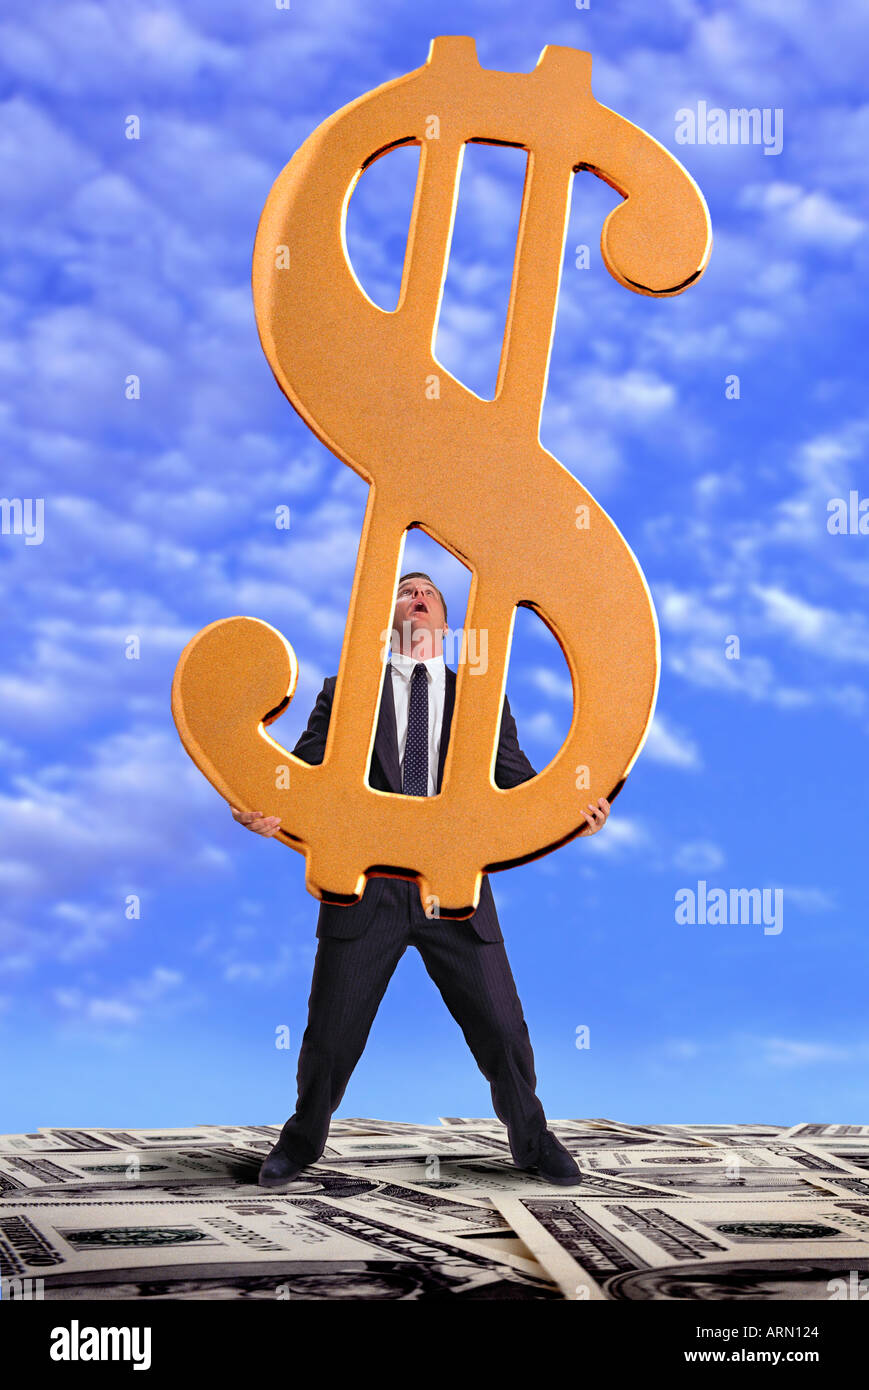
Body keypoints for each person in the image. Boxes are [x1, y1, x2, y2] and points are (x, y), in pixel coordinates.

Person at [232, 572, 610, 1187]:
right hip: (367, 889)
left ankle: (534, 1143)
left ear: (446, 619)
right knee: (329, 1036)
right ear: (388, 619)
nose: (417, 595)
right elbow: (298, 777)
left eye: (429, 592)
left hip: (454, 891)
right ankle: (301, 1144)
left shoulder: (481, 700)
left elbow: (522, 788)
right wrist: (260, 807)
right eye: (405, 590)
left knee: (505, 1031)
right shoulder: (346, 692)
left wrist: (575, 821)